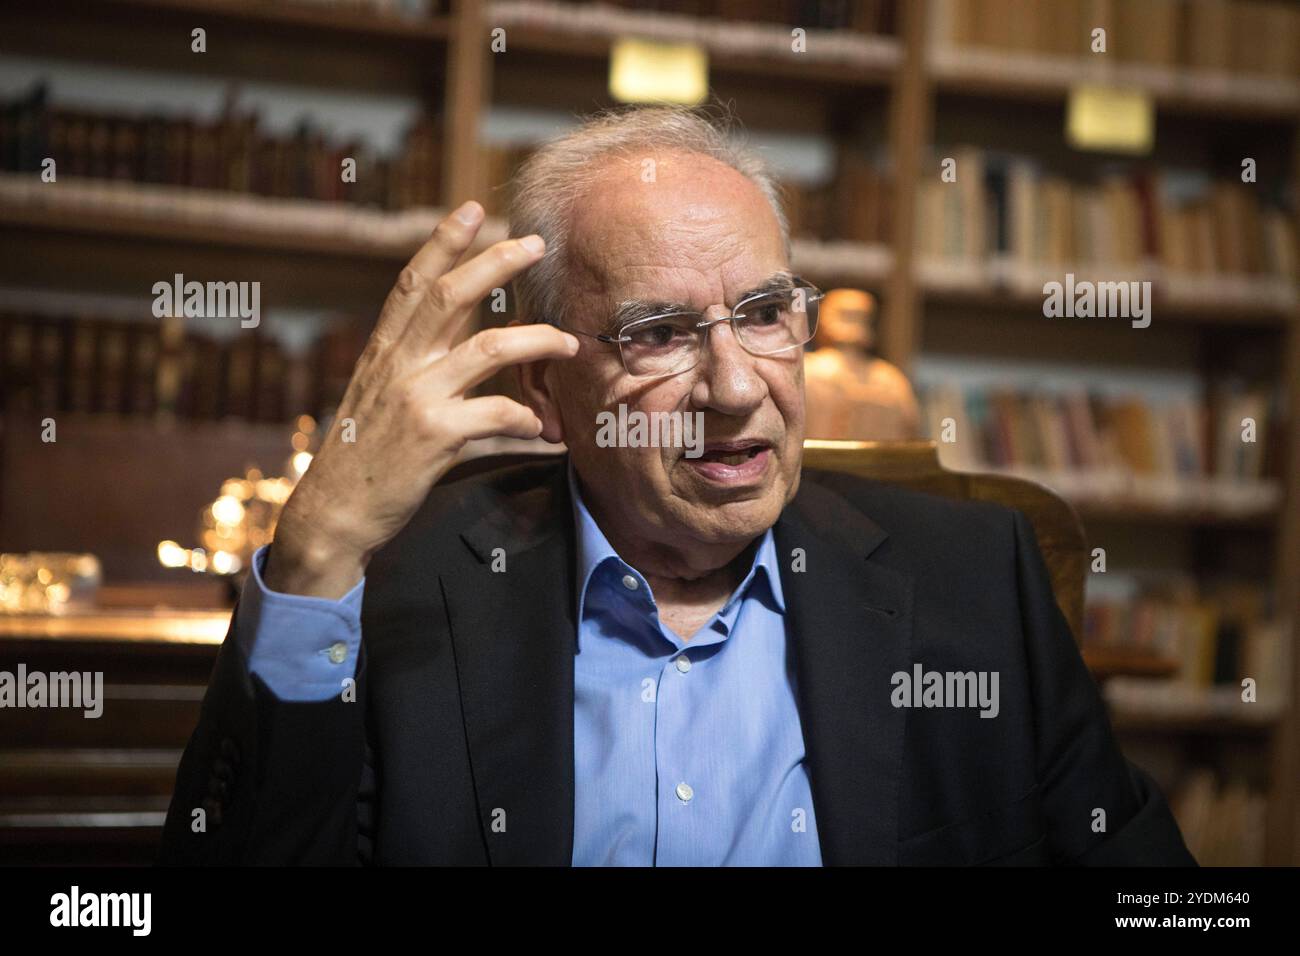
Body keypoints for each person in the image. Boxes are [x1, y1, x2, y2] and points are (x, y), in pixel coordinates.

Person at [160, 107, 1193, 866]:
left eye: (762, 311)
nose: (737, 388)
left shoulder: (973, 578)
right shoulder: (396, 591)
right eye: (657, 333)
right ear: (550, 393)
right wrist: (311, 556)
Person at [803, 288, 922, 441]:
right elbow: (911, 434)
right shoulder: (892, 380)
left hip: (811, 464)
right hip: (879, 464)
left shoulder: (807, 371)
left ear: (824, 321)